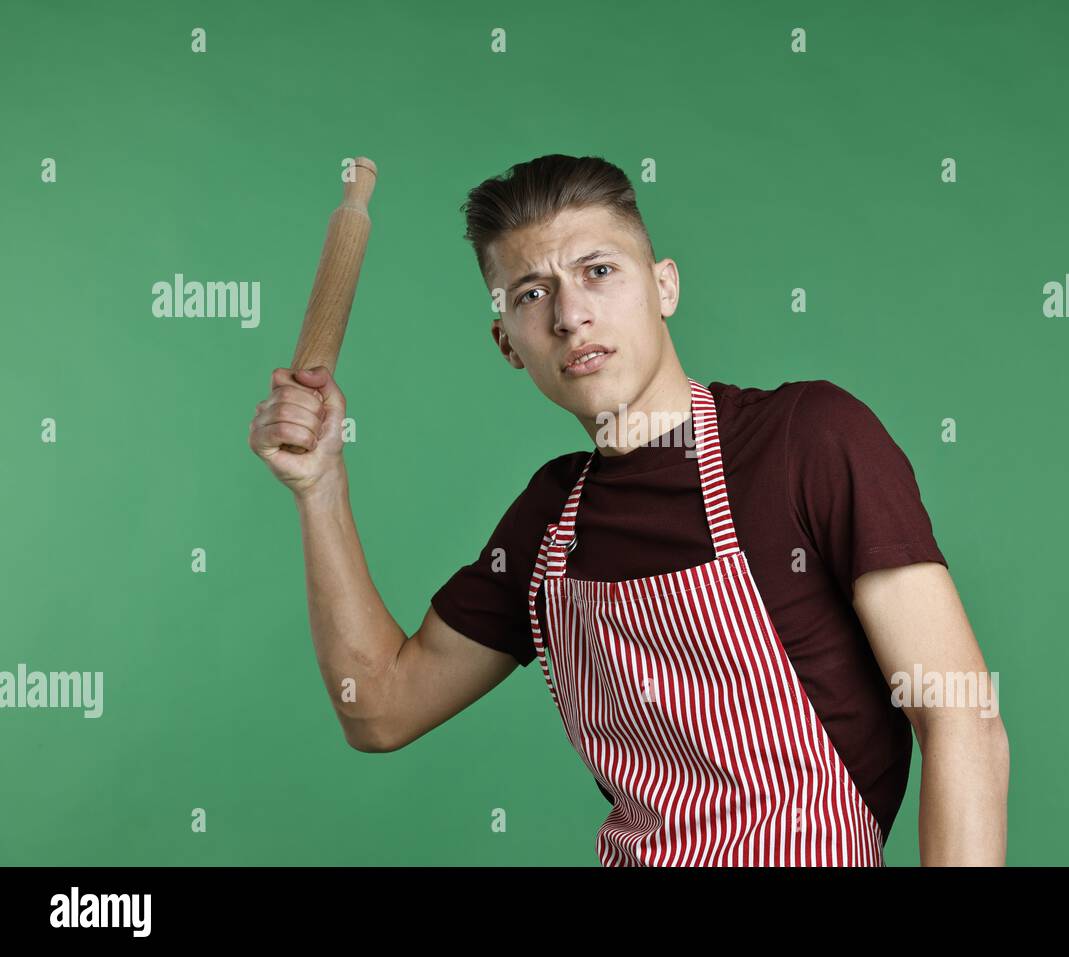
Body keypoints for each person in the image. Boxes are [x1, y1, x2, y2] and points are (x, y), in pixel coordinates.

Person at [248, 154, 1009, 867]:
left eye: (599, 271)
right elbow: (378, 707)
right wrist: (320, 486)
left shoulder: (808, 440)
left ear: (665, 285)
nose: (570, 316)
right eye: (532, 294)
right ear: (507, 343)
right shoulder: (550, 522)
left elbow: (962, 722)